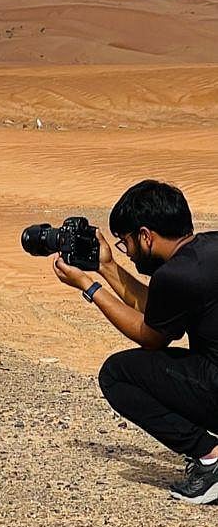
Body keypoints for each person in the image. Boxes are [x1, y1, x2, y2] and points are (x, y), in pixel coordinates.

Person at [52, 179, 218, 504]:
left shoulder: (176, 276)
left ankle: (211, 457)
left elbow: (150, 337)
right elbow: (160, 309)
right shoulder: (206, 251)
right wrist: (107, 267)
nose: (127, 253)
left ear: (145, 235)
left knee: (117, 374)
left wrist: (88, 286)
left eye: (125, 243)